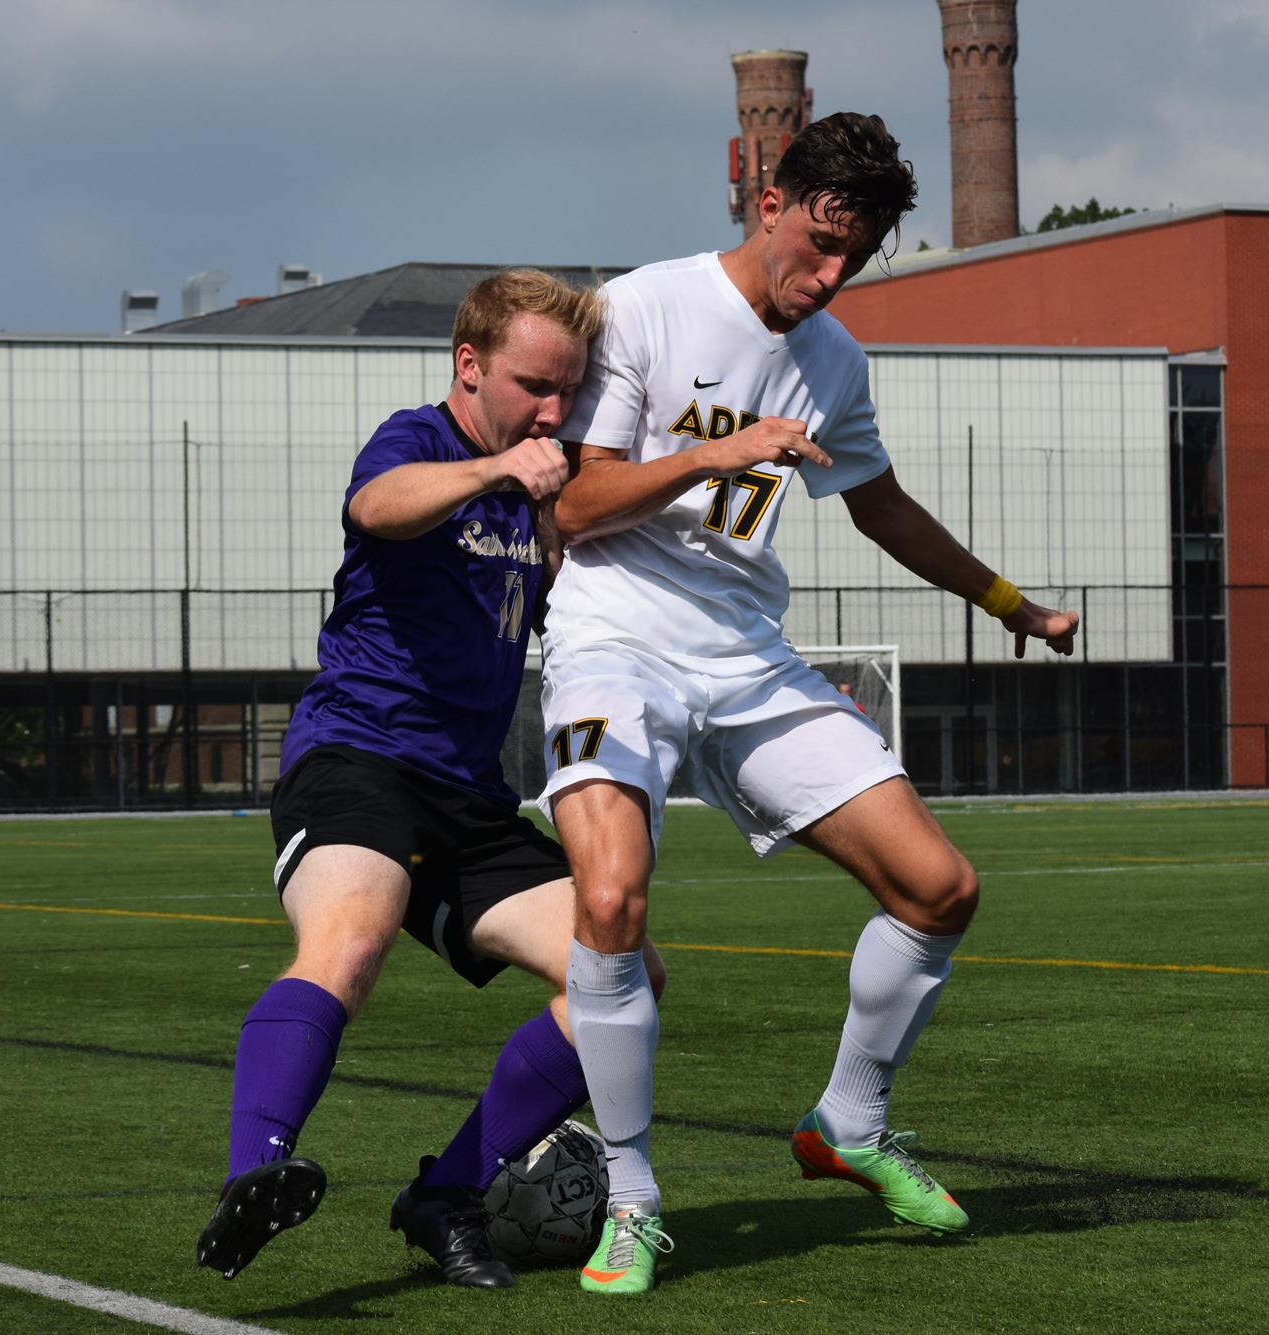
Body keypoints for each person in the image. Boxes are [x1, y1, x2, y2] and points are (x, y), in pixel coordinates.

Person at [537, 112, 1080, 1295]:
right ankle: (630, 1199)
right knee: (612, 894)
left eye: (857, 258)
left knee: (938, 887)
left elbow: (881, 507)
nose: (827, 278)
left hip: (745, 658)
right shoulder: (641, 308)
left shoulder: (833, 360)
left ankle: (846, 1124)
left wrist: (1010, 605)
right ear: (767, 201)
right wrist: (705, 458)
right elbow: (573, 513)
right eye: (818, 245)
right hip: (611, 642)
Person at [194, 269, 665, 1290]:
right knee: (351, 940)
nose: (553, 411)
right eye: (533, 385)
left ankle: (444, 1194)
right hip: (357, 761)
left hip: (469, 800)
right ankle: (253, 1177)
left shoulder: (541, 487)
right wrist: (496, 476)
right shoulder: (420, 441)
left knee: (620, 980)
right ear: (468, 366)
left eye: (567, 390)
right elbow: (377, 503)